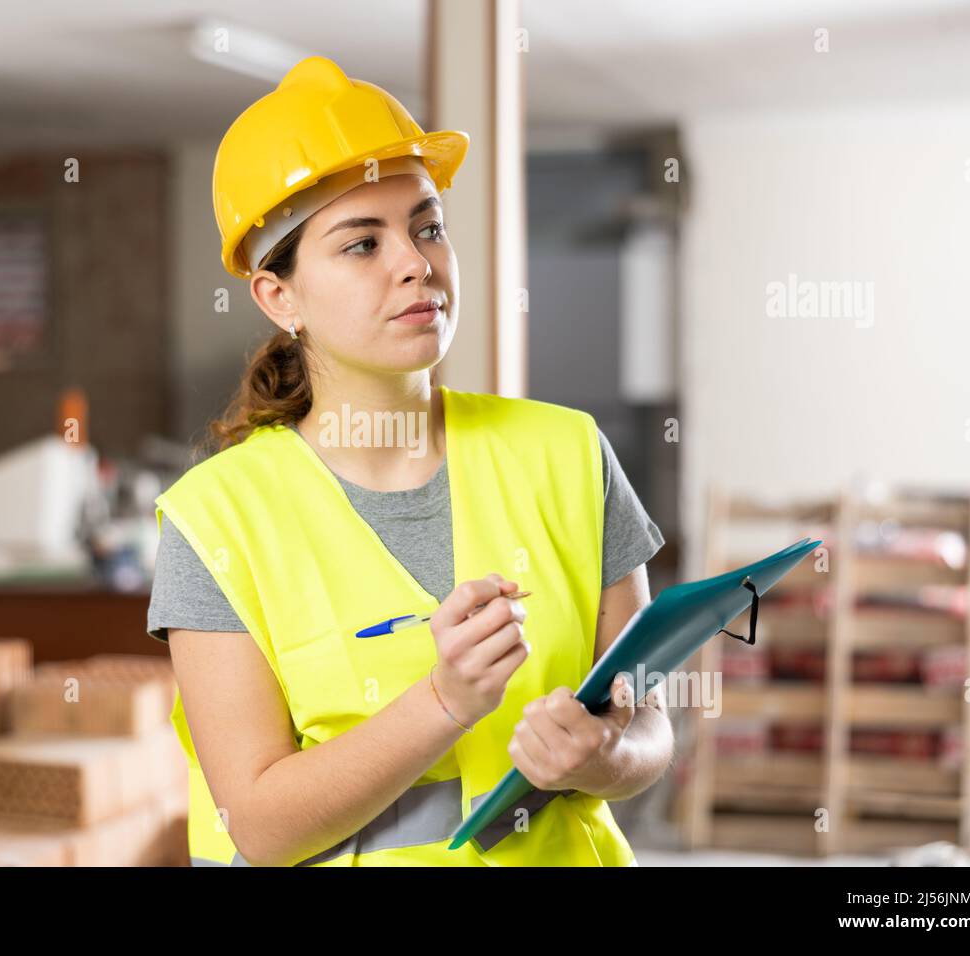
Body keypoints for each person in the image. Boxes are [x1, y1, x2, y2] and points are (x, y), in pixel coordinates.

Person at [146, 56, 671, 866]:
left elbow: (649, 727)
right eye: (363, 243)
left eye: (427, 226)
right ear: (279, 297)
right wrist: (442, 702)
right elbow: (259, 824)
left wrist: (602, 757)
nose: (415, 262)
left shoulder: (569, 454)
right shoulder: (216, 521)